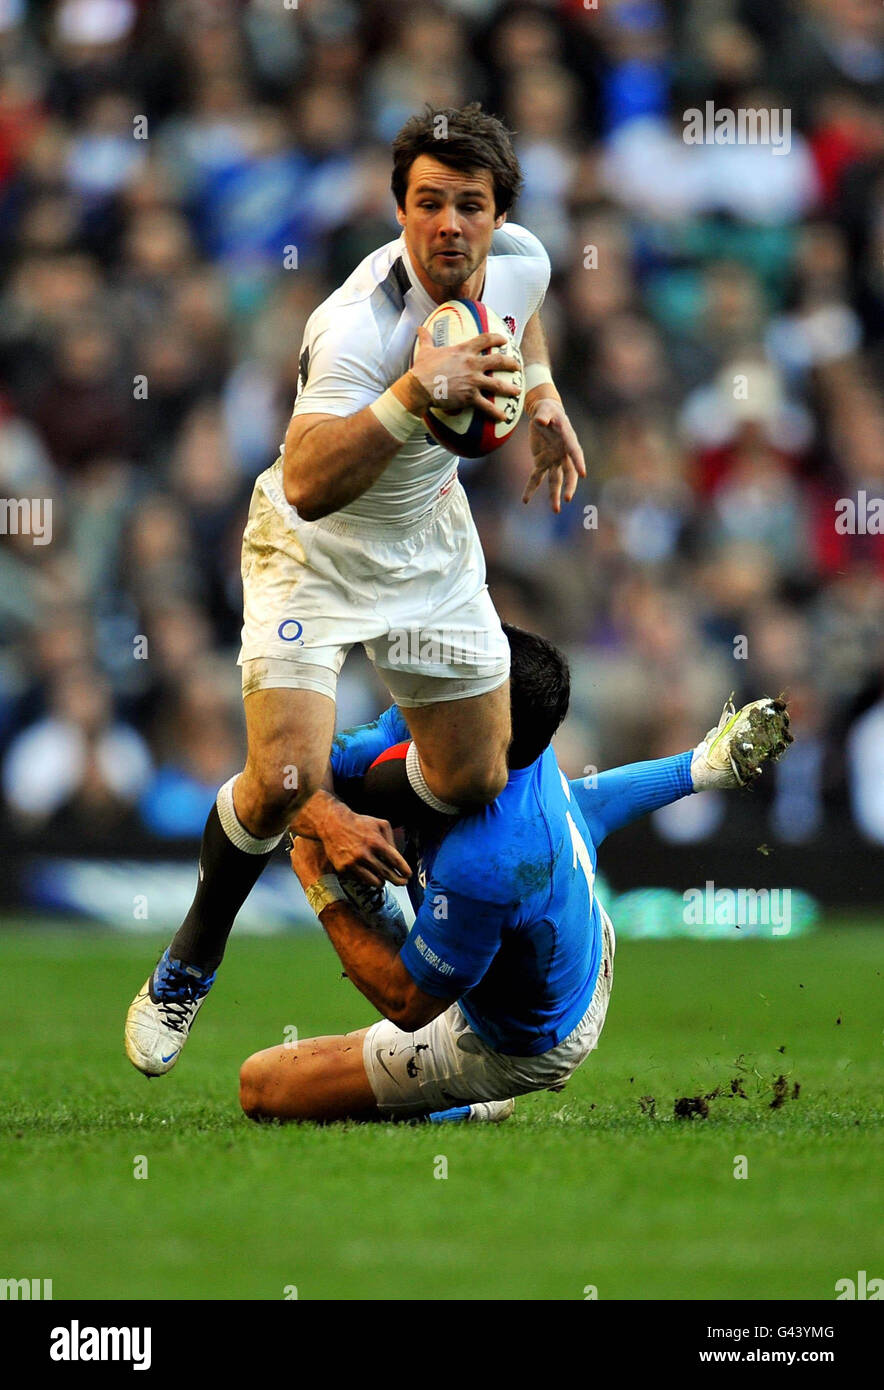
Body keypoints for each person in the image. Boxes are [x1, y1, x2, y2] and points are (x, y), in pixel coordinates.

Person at [125, 104, 586, 1077]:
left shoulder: (520, 260)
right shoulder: (354, 327)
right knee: (279, 785)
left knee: (472, 775)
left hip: (426, 548)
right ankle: (191, 956)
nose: (448, 225)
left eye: (470, 205)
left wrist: (540, 393)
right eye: (427, 204)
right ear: (398, 208)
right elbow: (305, 478)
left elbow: (524, 313)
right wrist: (416, 394)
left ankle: (323, 793)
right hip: (312, 553)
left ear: (500, 214)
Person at [236, 625, 792, 1124]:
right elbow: (584, 808)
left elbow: (407, 1004)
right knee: (325, 826)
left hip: (519, 1039)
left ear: (488, 718)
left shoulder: (493, 861)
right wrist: (693, 768)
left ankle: (475, 1101)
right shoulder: (513, 740)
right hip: (564, 941)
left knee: (264, 1086)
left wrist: (319, 884)